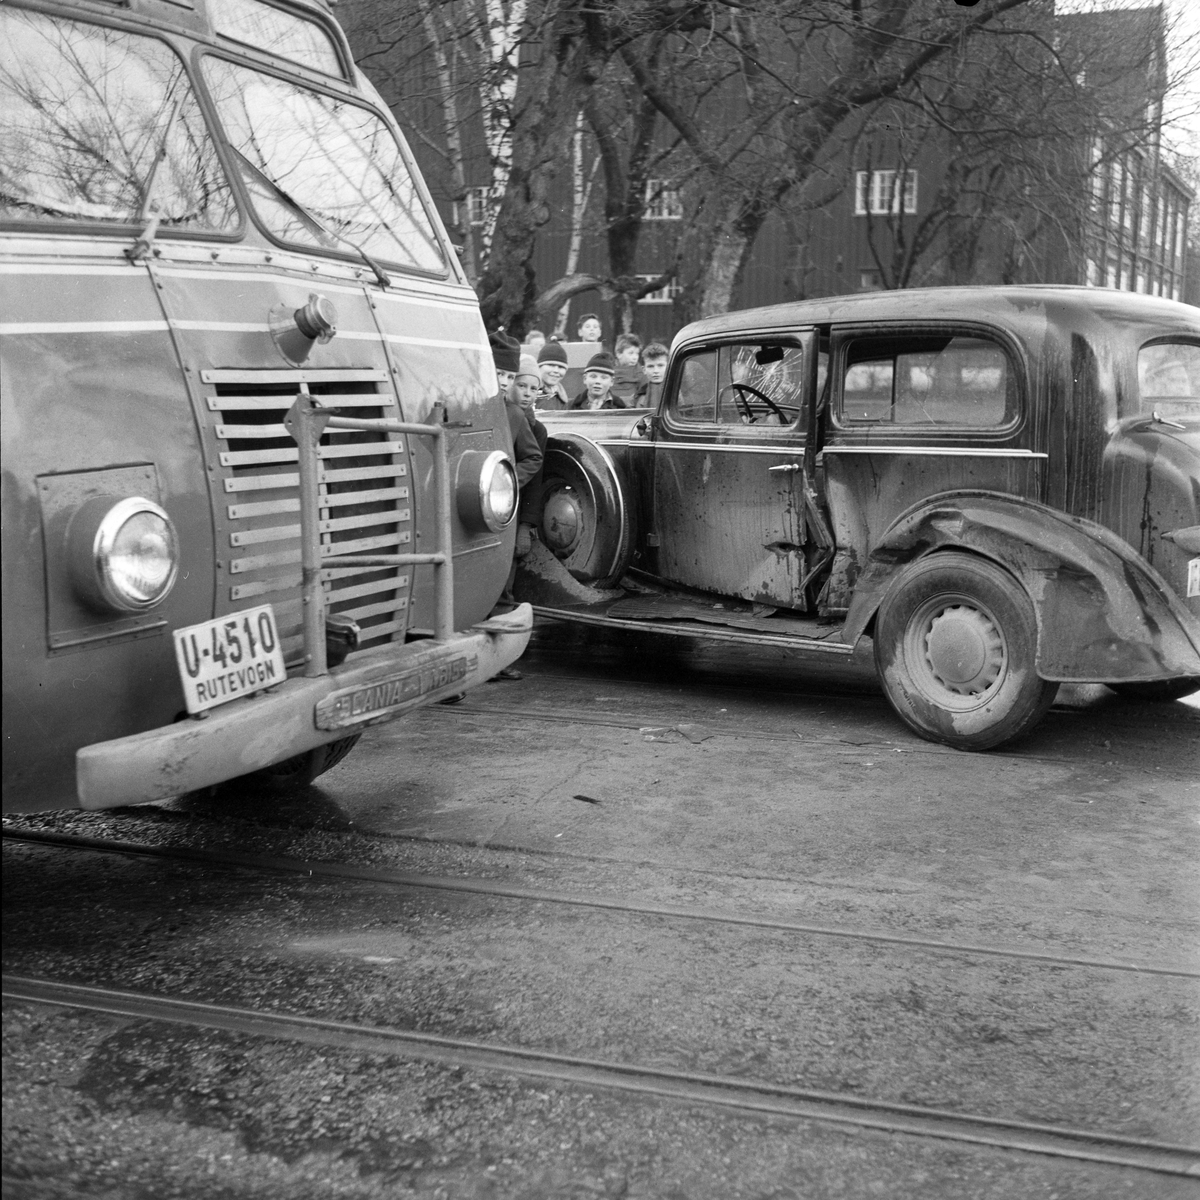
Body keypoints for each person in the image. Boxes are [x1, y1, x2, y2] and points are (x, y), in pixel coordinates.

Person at [535, 338, 570, 409]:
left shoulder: (563, 398)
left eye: (561, 367)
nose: (556, 370)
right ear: (539, 367)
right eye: (551, 365)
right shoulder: (530, 393)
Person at [611, 332, 643, 406]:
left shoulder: (641, 374)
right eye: (631, 353)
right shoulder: (608, 371)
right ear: (619, 354)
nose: (635, 357)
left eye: (637, 353)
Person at [635, 341, 669, 407]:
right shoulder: (636, 398)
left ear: (668, 367)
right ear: (644, 370)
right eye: (650, 366)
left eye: (660, 365)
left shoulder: (680, 393)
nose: (656, 371)